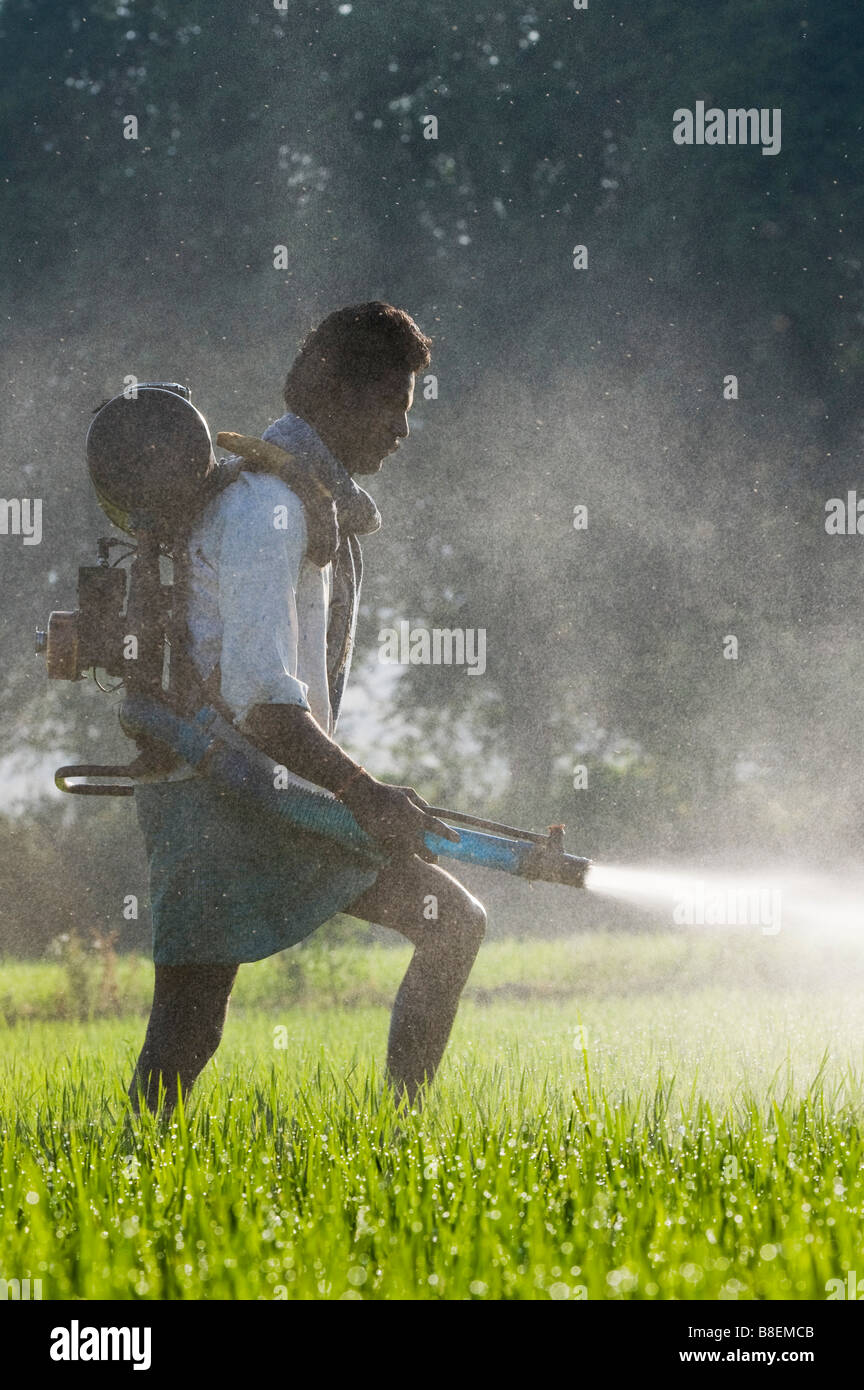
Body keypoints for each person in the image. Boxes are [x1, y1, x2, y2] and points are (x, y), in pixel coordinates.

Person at [129, 302, 487, 1114]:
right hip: (219, 790)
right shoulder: (271, 508)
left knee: (448, 922)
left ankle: (400, 1134)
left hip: (256, 789)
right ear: (333, 393)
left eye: (408, 406)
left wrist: (355, 793)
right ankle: (132, 1170)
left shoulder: (306, 500)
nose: (401, 426)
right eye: (389, 402)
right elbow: (263, 701)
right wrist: (363, 793)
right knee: (190, 1022)